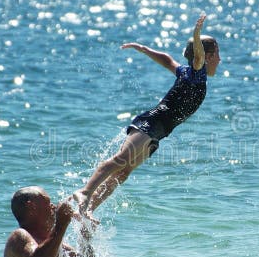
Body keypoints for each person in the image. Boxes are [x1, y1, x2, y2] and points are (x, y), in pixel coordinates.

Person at [73, 13, 221, 216]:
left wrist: (143, 49)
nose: (220, 60)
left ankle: (88, 210)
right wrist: (197, 34)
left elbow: (167, 60)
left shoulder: (187, 74)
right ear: (208, 56)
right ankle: (84, 192)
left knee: (123, 173)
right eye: (218, 54)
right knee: (121, 159)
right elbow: (197, 57)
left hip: (160, 133)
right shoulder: (197, 72)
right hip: (152, 122)